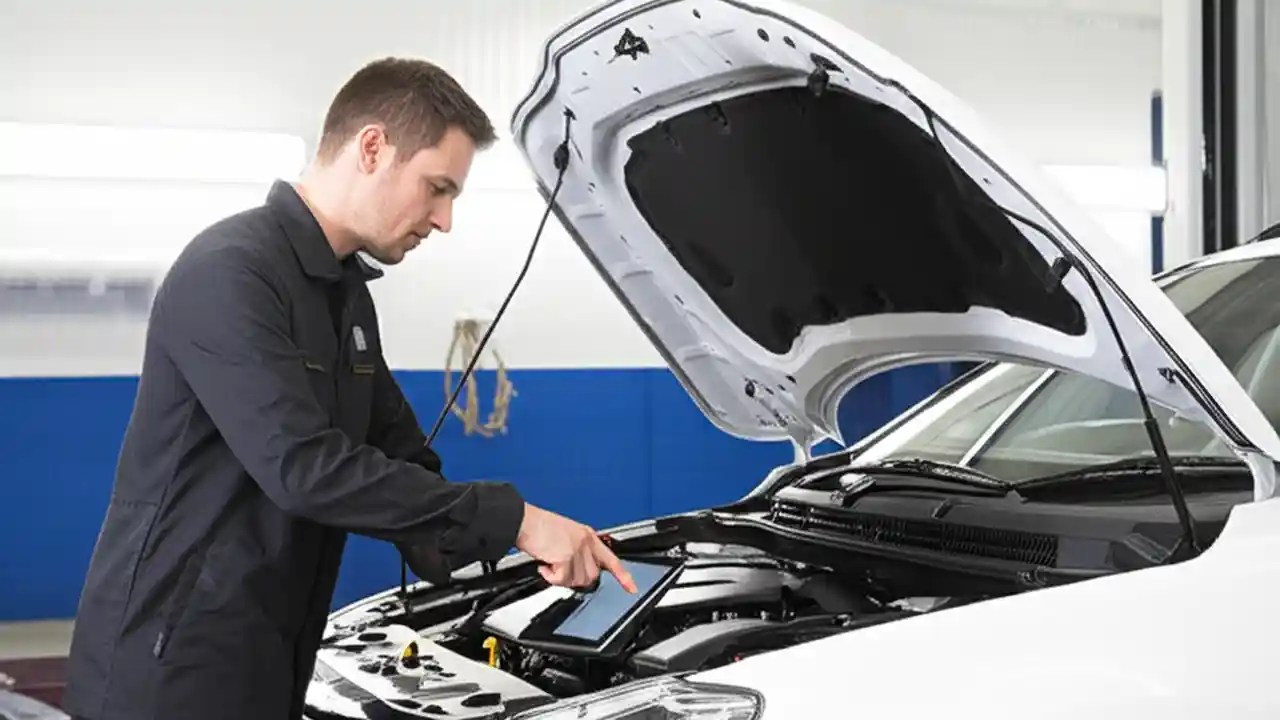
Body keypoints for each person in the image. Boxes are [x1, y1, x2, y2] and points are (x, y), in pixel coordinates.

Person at [63, 57, 636, 720]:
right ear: (372, 149)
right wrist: (518, 520)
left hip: (270, 654)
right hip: (168, 669)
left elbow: (400, 460)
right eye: (437, 187)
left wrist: (497, 557)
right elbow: (303, 468)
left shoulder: (344, 300)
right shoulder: (230, 272)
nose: (445, 219)